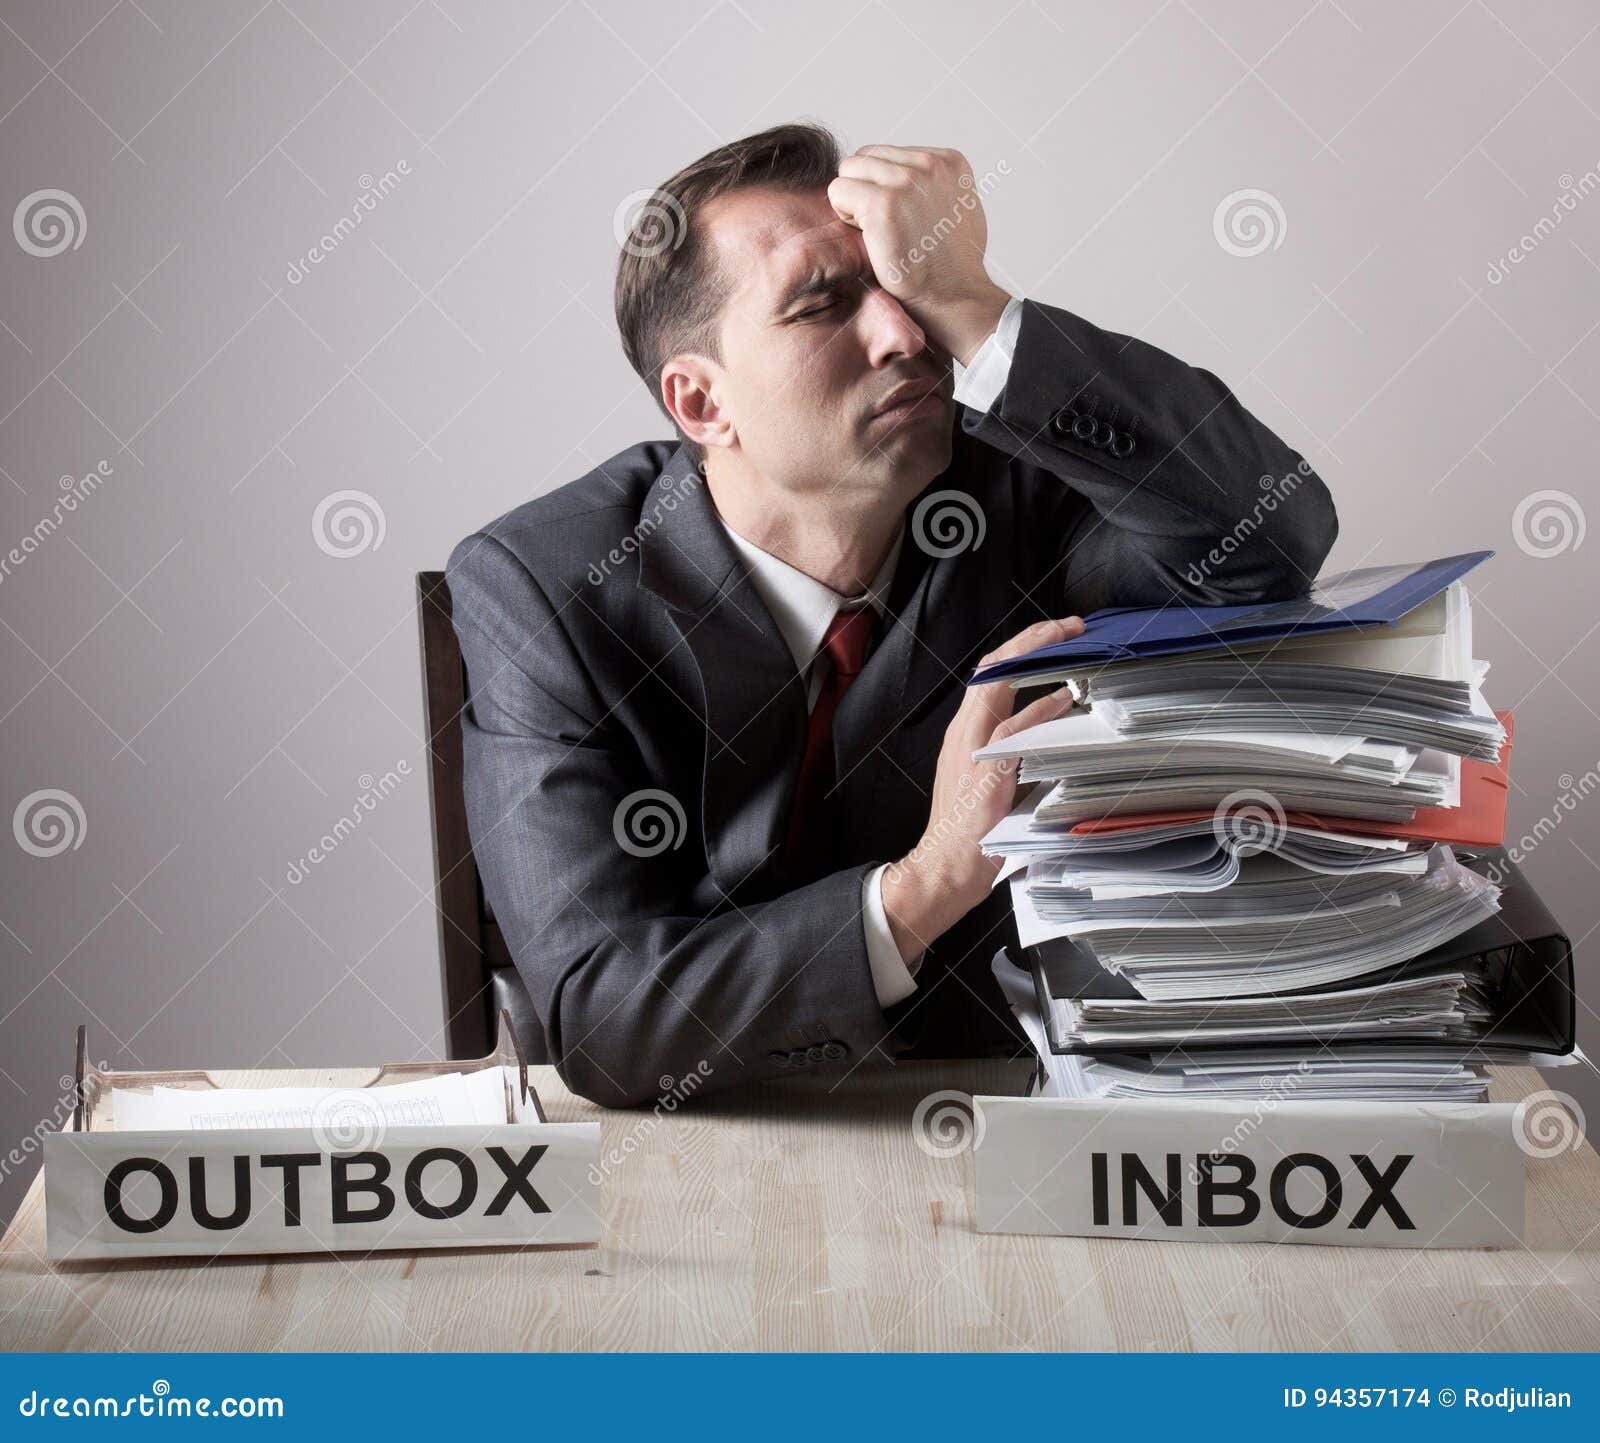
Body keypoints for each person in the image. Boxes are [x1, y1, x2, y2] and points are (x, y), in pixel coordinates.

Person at [445, 121, 1338, 1107]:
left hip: (1011, 1109)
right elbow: (611, 1021)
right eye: (824, 306)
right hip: (705, 1146)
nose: (903, 335)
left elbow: (1269, 545)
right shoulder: (543, 586)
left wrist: (979, 308)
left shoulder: (1015, 493)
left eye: (902, 288)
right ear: (701, 404)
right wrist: (928, 882)